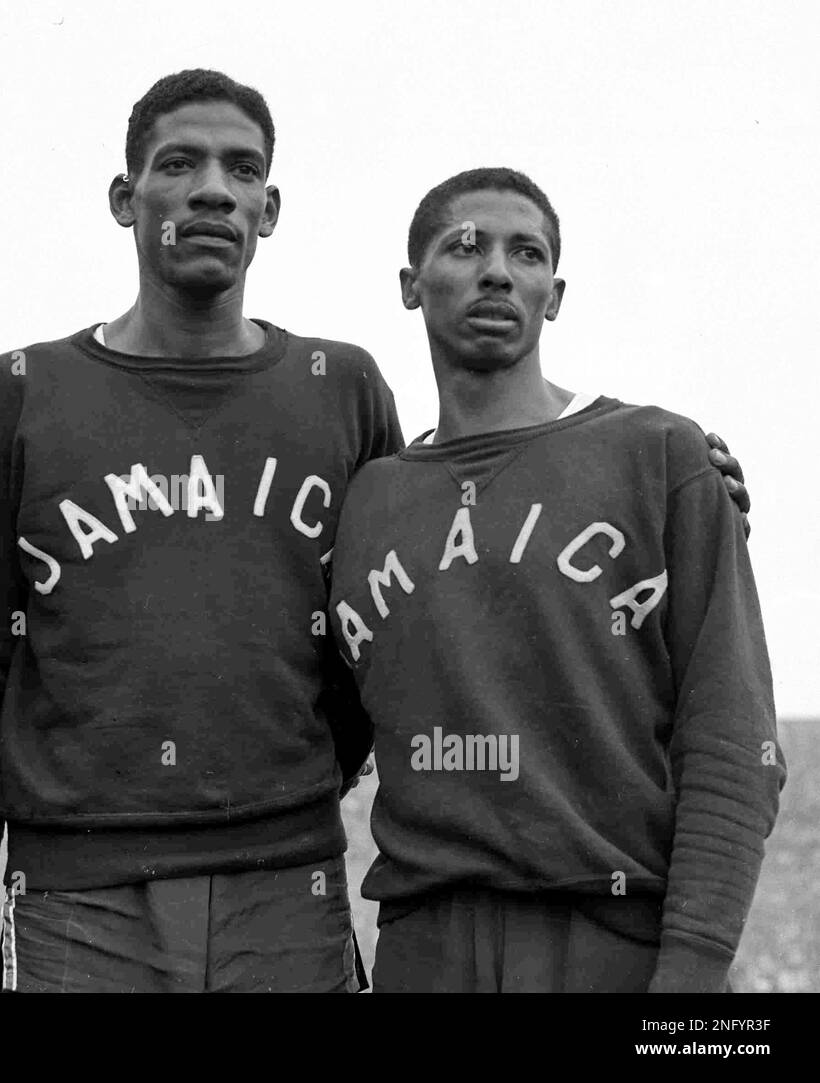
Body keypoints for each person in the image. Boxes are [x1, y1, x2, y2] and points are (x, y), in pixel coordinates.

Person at [0, 75, 753, 994]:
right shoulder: (17, 395)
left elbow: (438, 556)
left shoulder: (344, 390)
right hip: (82, 892)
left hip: (294, 877)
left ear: (270, 206)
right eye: (181, 163)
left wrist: (685, 492)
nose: (213, 188)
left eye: (241, 168)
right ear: (126, 199)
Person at [329, 167, 784, 993]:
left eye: (526, 253)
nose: (497, 270)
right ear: (409, 285)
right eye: (465, 248)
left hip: (615, 935)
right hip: (424, 943)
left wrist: (692, 974)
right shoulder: (369, 498)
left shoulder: (660, 457)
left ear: (555, 293)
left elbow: (733, 740)